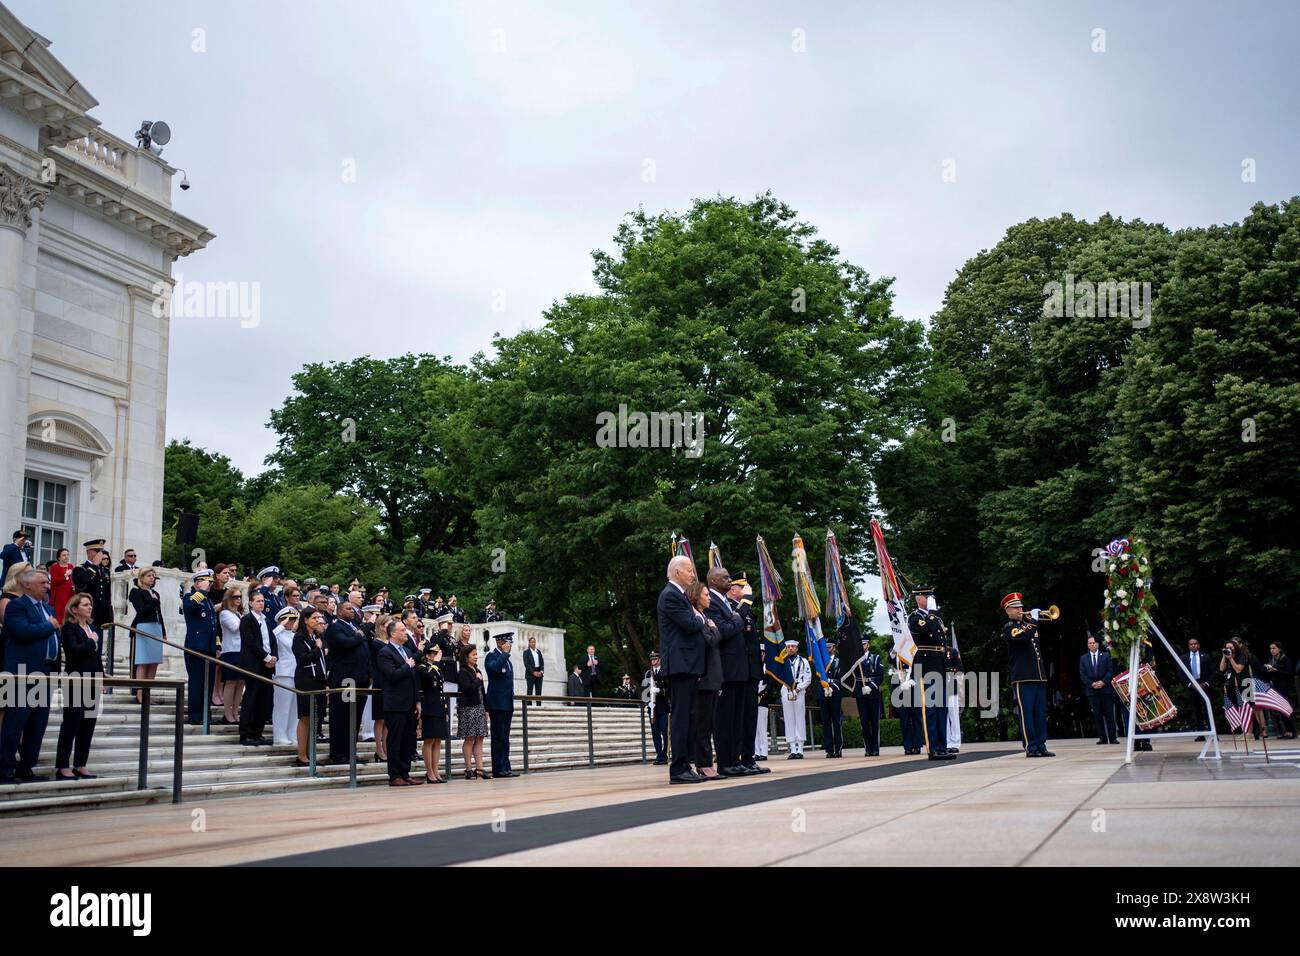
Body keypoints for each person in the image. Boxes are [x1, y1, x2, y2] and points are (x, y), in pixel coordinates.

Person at [1, 567, 60, 783]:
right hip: (22, 673)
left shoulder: (49, 608)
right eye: (43, 582)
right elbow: (21, 631)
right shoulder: (16, 606)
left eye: (48, 582)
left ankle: (26, 767)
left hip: (45, 672)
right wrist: (48, 626)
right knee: (16, 721)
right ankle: (5, 768)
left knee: (38, 723)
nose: (47, 586)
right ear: (27, 584)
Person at [657, 554, 708, 784]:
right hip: (680, 665)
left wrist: (697, 617)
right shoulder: (670, 596)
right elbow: (691, 623)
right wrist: (700, 619)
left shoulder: (680, 595)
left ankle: (686, 764)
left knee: (689, 717)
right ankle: (678, 768)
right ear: (677, 572)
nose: (692, 574)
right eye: (689, 570)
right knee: (681, 717)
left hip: (688, 665)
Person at [704, 566, 748, 776]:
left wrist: (735, 620)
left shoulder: (724, 601)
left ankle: (735, 759)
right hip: (725, 669)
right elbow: (723, 631)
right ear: (713, 582)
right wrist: (738, 618)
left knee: (736, 718)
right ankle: (725, 761)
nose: (730, 580)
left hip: (738, 668)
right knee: (724, 718)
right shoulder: (712, 602)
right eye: (725, 578)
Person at [56, 592, 104, 780]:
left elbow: (96, 657)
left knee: (88, 724)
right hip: (76, 679)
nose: (89, 607)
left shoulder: (93, 628)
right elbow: (74, 652)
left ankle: (80, 763)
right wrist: (91, 641)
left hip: (92, 680)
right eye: (85, 604)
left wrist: (100, 679)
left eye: (90, 604)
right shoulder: (69, 628)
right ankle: (62, 765)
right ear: (75, 609)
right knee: (71, 722)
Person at [1004, 592, 1054, 757]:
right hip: (1023, 677)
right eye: (1016, 607)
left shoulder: (1028, 626)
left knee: (1040, 712)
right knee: (1027, 713)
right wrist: (1033, 621)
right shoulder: (1010, 628)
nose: (1020, 609)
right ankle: (1031, 746)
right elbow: (1023, 637)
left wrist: (1032, 622)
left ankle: (1041, 744)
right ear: (1008, 610)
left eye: (1020, 606)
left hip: (1038, 675)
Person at [377, 619, 423, 786]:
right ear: (392, 633)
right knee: (395, 740)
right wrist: (407, 665)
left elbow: (413, 679)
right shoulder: (385, 652)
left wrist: (417, 700)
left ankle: (405, 773)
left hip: (410, 703)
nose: (405, 632)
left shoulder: (407, 650)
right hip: (395, 703)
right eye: (402, 630)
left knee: (408, 740)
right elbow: (391, 674)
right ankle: (394, 775)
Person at [728, 572, 766, 774]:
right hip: (739, 671)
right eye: (743, 587)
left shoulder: (746, 611)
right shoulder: (733, 608)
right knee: (739, 716)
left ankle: (749, 757)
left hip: (751, 670)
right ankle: (738, 758)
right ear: (733, 589)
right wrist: (747, 600)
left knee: (750, 716)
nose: (747, 591)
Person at [908, 588, 952, 761]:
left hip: (939, 663)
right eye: (926, 596)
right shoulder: (915, 617)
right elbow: (928, 629)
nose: (930, 599)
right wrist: (932, 612)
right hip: (926, 665)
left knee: (942, 708)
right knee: (931, 709)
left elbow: (942, 642)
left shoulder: (936, 617)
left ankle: (942, 746)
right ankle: (933, 747)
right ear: (919, 598)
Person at [325, 599, 371, 765]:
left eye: (353, 609)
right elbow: (344, 644)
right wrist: (360, 635)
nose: (352, 611)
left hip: (360, 679)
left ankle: (350, 751)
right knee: (342, 716)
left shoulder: (355, 627)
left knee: (355, 717)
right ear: (339, 611)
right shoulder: (335, 627)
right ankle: (338, 753)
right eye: (348, 608)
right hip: (346, 678)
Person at [687, 581, 724, 778]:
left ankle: (706, 762)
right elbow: (710, 640)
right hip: (704, 678)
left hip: (712, 678)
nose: (709, 598)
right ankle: (703, 763)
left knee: (707, 724)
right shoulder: (698, 618)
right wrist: (715, 630)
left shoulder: (705, 617)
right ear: (696, 597)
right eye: (706, 595)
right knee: (702, 724)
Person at [289, 607, 328, 766]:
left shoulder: (317, 636)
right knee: (305, 716)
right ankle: (302, 754)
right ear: (305, 620)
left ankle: (310, 752)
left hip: (319, 679)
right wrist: (317, 648)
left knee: (316, 717)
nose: (318, 621)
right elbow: (303, 659)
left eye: (319, 618)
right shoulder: (299, 638)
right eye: (314, 618)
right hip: (306, 680)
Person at [238, 589, 277, 746]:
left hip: (267, 665)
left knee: (264, 699)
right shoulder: (247, 620)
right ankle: (246, 734)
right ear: (251, 603)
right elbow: (251, 642)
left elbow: (272, 640)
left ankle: (257, 732)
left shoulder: (266, 620)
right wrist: (266, 657)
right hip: (253, 664)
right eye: (258, 601)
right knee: (251, 699)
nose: (261, 603)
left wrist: (274, 657)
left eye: (262, 601)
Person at [181, 569, 218, 725]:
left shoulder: (208, 601)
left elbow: (213, 626)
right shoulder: (191, 597)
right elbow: (189, 608)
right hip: (196, 646)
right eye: (206, 582)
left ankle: (205, 714)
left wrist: (217, 645)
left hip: (208, 647)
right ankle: (195, 715)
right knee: (196, 682)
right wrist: (201, 591)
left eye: (210, 582)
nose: (209, 585)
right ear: (197, 583)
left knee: (207, 683)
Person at [127, 567, 167, 705]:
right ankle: (139, 693)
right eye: (149, 575)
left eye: (153, 576)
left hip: (156, 627)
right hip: (143, 626)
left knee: (154, 662)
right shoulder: (136, 592)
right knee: (143, 660)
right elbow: (141, 610)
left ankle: (147, 693)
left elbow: (159, 613)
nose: (152, 578)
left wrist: (164, 631)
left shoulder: (155, 593)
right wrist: (153, 602)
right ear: (142, 577)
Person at [484, 632, 516, 778]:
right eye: (507, 643)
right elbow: (495, 669)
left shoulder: (507, 659)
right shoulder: (492, 656)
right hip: (497, 703)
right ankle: (498, 768)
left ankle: (506, 766)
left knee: (505, 737)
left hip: (507, 703)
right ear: (499, 642)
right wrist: (503, 654)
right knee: (498, 737)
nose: (509, 646)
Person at [456, 644, 489, 779]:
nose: (476, 657)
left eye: (476, 654)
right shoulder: (462, 672)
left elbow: (483, 691)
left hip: (480, 707)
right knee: (469, 739)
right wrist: (477, 679)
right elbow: (468, 689)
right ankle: (468, 769)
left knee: (480, 738)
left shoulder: (477, 670)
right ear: (466, 657)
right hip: (468, 708)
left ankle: (480, 768)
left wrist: (486, 708)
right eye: (473, 654)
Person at [418, 642, 448, 783]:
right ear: (428, 655)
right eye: (434, 653)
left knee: (438, 740)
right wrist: (435, 664)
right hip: (429, 707)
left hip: (439, 706)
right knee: (429, 739)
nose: (437, 656)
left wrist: (446, 709)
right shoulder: (423, 667)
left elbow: (440, 689)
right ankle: (429, 771)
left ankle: (435, 770)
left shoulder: (437, 668)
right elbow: (427, 679)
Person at [1079, 634, 1118, 745]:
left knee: (1109, 714)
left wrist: (1103, 682)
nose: (1092, 644)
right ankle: (1102, 738)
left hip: (1106, 689)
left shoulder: (1106, 655)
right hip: (1093, 691)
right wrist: (1092, 684)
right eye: (1090, 643)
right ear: (1088, 645)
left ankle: (1113, 737)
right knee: (1097, 715)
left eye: (1094, 643)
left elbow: (1110, 671)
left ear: (1097, 644)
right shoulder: (1083, 658)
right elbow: (1082, 674)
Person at [849, 636, 884, 756]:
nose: (862, 647)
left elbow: (880, 676)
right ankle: (867, 747)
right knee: (864, 721)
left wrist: (871, 686)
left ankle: (875, 747)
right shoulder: (855, 660)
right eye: (860, 645)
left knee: (874, 721)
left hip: (872, 691)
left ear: (867, 645)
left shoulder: (875, 658)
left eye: (863, 644)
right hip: (860, 690)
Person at [71, 538, 113, 636]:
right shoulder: (80, 569)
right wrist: (94, 565)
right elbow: (82, 583)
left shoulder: (104, 571)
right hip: (86, 613)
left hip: (100, 615)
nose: (100, 554)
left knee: (99, 645)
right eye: (97, 551)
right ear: (89, 552)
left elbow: (107, 595)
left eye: (101, 551)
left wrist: (108, 617)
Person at [270, 605, 299, 746]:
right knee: (283, 707)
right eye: (289, 619)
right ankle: (279, 735)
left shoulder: (294, 635)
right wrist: (281, 626)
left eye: (294, 619)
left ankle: (291, 734)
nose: (292, 622)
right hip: (283, 673)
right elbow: (269, 639)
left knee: (294, 707)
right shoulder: (277, 633)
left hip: (296, 673)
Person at [216, 591, 246, 725]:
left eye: (240, 597)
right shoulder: (225, 613)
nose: (238, 599)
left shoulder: (238, 614)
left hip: (241, 650)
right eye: (235, 597)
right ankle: (227, 712)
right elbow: (235, 628)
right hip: (230, 650)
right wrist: (246, 620)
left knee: (240, 683)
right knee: (231, 682)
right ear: (229, 599)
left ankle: (235, 711)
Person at [780, 639, 812, 758]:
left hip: (799, 691)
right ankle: (793, 749)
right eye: (788, 647)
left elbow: (808, 678)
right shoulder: (782, 661)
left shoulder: (803, 661)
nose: (791, 649)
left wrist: (798, 689)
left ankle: (800, 749)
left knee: (799, 718)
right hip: (786, 690)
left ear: (797, 648)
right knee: (789, 719)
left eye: (793, 647)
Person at [1262, 641, 1296, 739]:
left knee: (1286, 708)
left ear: (1279, 649)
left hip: (1284, 687)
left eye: (1274, 648)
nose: (1272, 650)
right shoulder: (1272, 660)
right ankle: (1284, 731)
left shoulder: (1285, 659)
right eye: (1270, 648)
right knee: (1280, 709)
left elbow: (1289, 673)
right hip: (1276, 687)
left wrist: (1277, 671)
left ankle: (1290, 731)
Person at [819, 645, 844, 758]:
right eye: (826, 647)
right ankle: (829, 749)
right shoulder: (821, 661)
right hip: (823, 693)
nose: (828, 649)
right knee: (826, 723)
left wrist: (832, 688)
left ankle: (838, 748)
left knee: (836, 722)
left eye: (829, 647)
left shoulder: (839, 661)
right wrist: (824, 688)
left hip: (834, 693)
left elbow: (842, 678)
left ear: (834, 648)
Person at [645, 651, 669, 764]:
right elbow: (644, 690)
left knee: (665, 732)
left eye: (655, 659)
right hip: (652, 707)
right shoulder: (648, 674)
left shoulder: (665, 672)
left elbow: (669, 690)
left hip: (663, 706)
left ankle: (664, 755)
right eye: (652, 660)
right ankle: (659, 755)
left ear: (659, 660)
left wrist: (659, 691)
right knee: (655, 733)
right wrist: (648, 701)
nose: (653, 661)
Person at [48, 548, 73, 624]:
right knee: (61, 617)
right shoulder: (55, 567)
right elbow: (54, 582)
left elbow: (72, 579)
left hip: (70, 593)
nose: (66, 557)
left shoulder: (71, 566)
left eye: (67, 555)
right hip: (60, 595)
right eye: (64, 555)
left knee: (70, 614)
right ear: (59, 557)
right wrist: (65, 575)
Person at [522, 635, 544, 705]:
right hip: (530, 674)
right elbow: (526, 664)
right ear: (529, 643)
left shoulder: (538, 652)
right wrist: (533, 672)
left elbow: (542, 663)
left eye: (534, 642)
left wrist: (541, 671)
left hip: (539, 673)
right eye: (531, 642)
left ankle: (539, 706)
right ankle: (529, 706)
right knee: (530, 691)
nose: (533, 643)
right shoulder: (526, 652)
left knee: (538, 691)